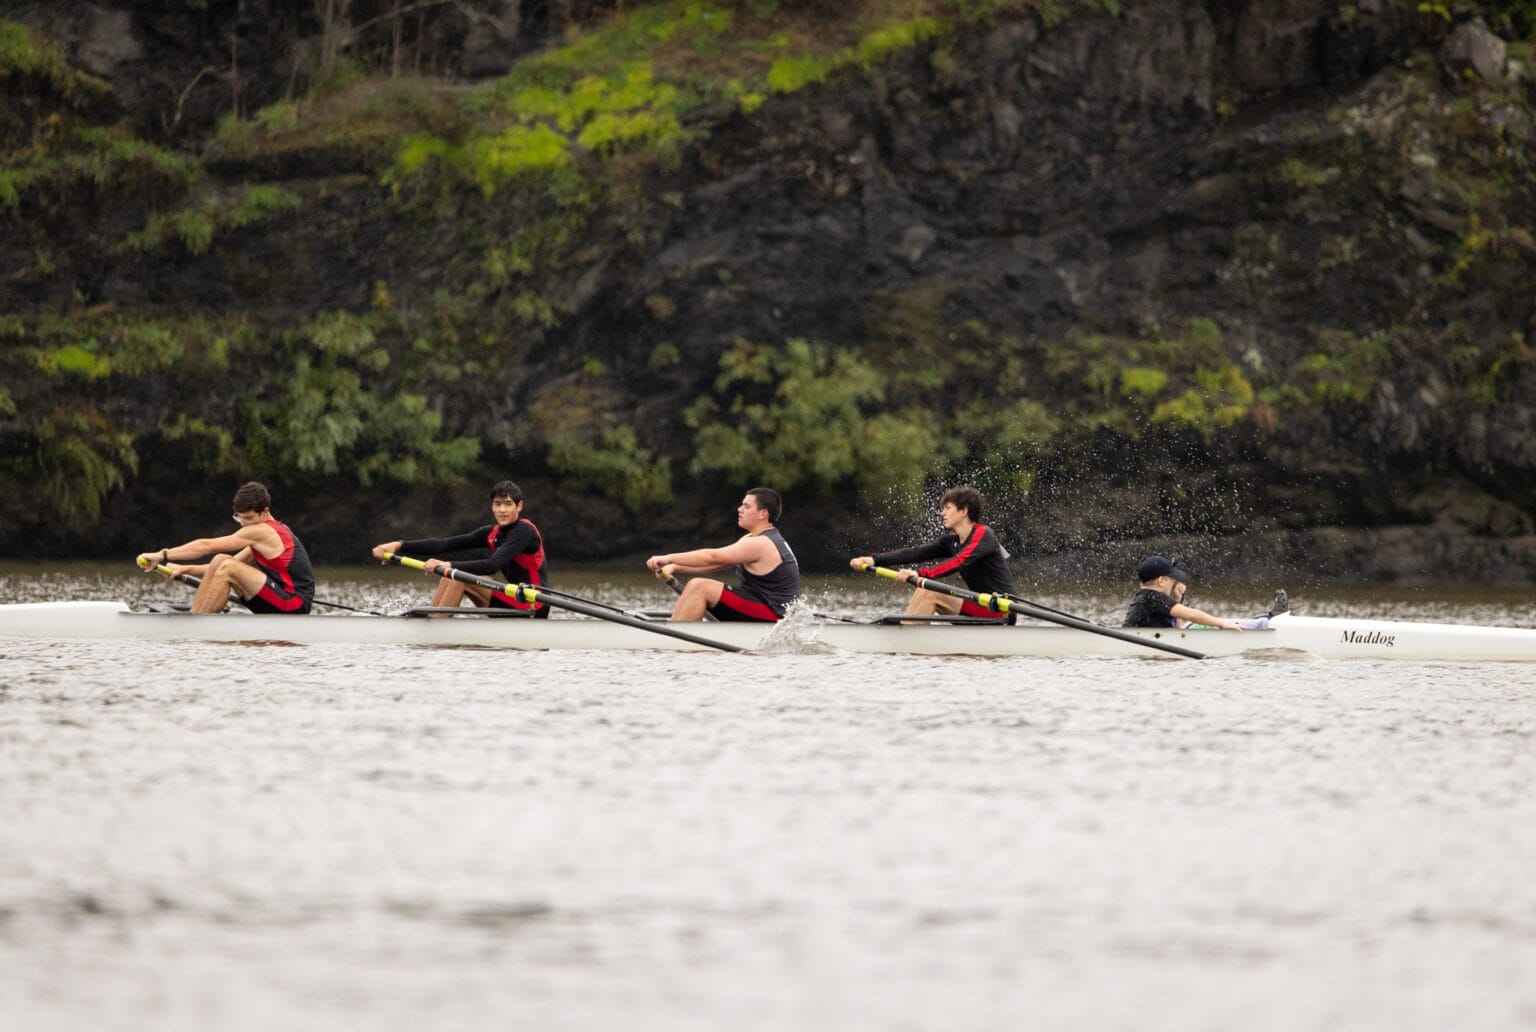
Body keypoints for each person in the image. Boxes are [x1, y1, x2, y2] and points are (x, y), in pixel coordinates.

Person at [372, 480, 549, 617]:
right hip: (514, 598)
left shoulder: (524, 530)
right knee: (451, 575)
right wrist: (399, 544)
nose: (502, 510)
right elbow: (444, 544)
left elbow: (493, 564)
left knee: (458, 576)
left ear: (519, 506)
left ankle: (435, 629)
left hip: (533, 604)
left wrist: (448, 565)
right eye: (497, 504)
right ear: (492, 506)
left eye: (508, 504)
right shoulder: (491, 532)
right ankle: (433, 620)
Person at [136, 481, 315, 615]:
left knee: (225, 564)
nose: (244, 523)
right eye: (240, 518)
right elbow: (223, 566)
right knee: (222, 561)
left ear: (265, 511)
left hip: (294, 604)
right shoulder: (261, 539)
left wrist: (163, 555)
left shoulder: (264, 531)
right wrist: (185, 568)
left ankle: (196, 622)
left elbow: (207, 546)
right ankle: (197, 616)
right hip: (282, 597)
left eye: (249, 518)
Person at [849, 485, 1016, 621]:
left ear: (964, 511)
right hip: (979, 606)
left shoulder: (983, 534)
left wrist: (919, 574)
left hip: (1001, 610)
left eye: (947, 508)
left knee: (930, 590)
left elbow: (959, 561)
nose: (942, 513)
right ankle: (905, 630)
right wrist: (873, 560)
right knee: (923, 588)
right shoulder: (951, 541)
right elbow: (915, 553)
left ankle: (907, 640)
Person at [646, 487, 800, 622]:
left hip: (774, 615)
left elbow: (713, 557)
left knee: (699, 586)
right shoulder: (753, 538)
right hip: (760, 605)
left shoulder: (760, 543)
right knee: (696, 585)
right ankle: (675, 630)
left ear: (762, 514)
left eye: (746, 506)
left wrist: (668, 558)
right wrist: (675, 567)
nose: (740, 509)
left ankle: (675, 639)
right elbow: (717, 564)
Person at [1123, 555, 1287, 630]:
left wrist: (1177, 598)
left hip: (1159, 637)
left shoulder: (1147, 598)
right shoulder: (1153, 598)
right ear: (1161, 581)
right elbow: (1192, 614)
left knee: (1205, 625)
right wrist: (1222, 624)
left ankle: (1263, 621)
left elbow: (1176, 629)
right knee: (1215, 624)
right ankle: (1267, 623)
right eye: (1174, 580)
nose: (1177, 583)